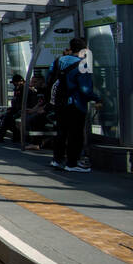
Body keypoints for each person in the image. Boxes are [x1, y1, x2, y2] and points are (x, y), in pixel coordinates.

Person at [48, 37, 100, 172]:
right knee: (75, 134)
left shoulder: (59, 60)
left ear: (71, 47)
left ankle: (57, 160)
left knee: (61, 132)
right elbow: (85, 89)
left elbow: (50, 76)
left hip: (59, 102)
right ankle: (72, 163)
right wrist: (97, 98)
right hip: (75, 104)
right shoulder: (82, 65)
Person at [0, 74, 26, 142]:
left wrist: (13, 109)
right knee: (4, 117)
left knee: (7, 117)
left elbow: (22, 103)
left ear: (20, 82)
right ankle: (16, 135)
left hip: (22, 110)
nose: (14, 84)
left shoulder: (23, 89)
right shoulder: (17, 89)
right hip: (16, 110)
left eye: (15, 83)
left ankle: (2, 136)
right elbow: (16, 103)